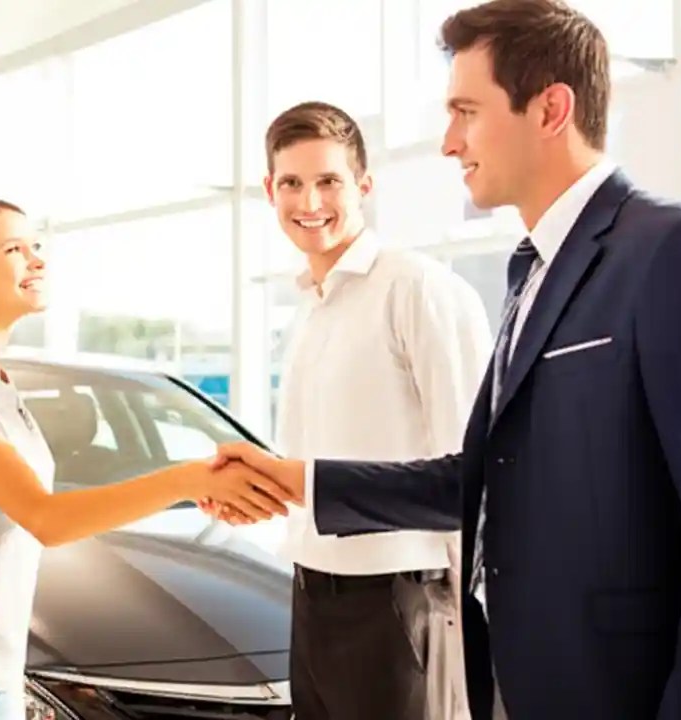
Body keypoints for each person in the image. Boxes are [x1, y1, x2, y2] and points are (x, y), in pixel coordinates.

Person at [211, 2, 681, 719]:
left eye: (465, 111)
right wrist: (298, 479)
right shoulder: (531, 275)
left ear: (550, 109)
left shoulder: (678, 251)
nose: (449, 142)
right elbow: (480, 479)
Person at [0, 199, 294, 720]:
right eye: (14, 249)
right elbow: (45, 517)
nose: (37, 260)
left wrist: (199, 486)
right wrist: (186, 479)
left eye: (37, 247)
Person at [226, 100, 490, 720]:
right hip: (310, 592)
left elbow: (474, 468)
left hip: (402, 603)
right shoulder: (310, 307)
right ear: (270, 190)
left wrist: (462, 620)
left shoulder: (417, 288)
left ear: (364, 186)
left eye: (328, 181)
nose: (309, 201)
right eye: (291, 182)